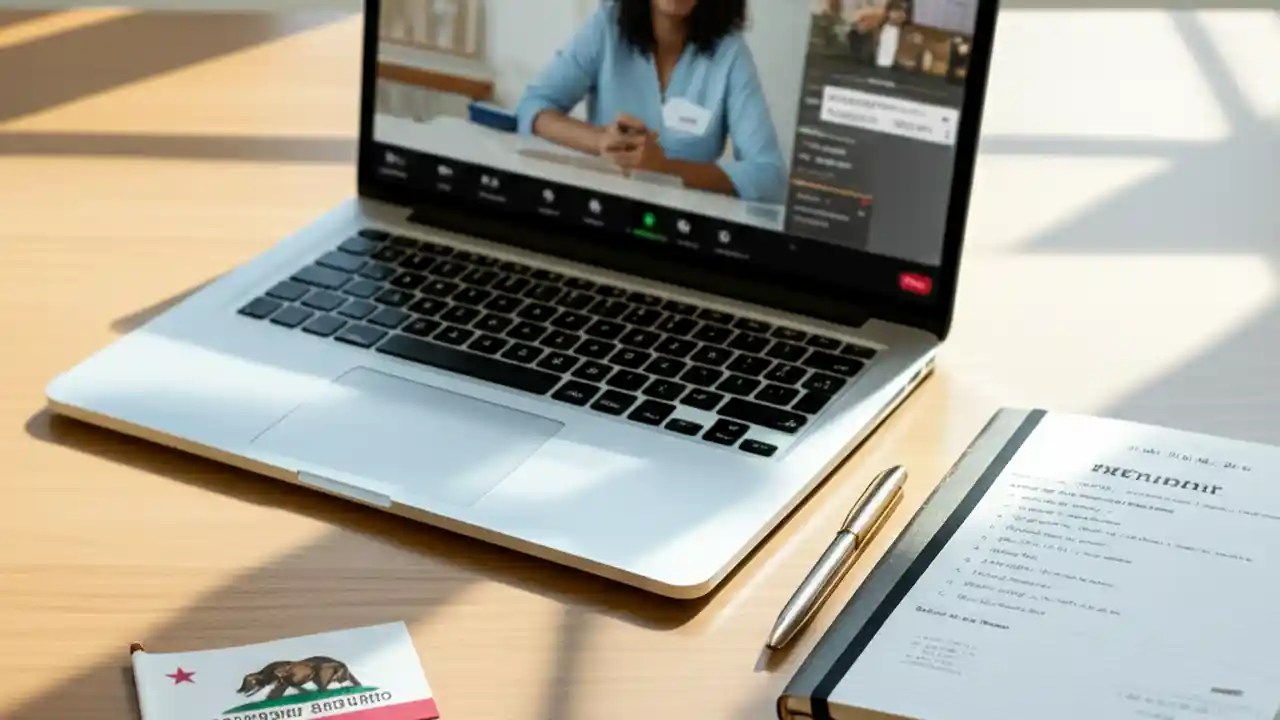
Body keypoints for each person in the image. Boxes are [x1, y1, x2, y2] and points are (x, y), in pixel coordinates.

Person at [516, 0, 787, 204]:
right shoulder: (608, 25)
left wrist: (666, 170)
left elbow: (769, 176)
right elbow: (533, 107)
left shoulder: (730, 53)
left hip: (685, 232)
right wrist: (599, 141)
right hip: (602, 212)